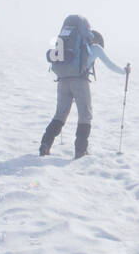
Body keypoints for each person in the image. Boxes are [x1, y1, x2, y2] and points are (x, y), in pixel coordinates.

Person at [39, 25, 130, 159]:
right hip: (80, 83)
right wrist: (125, 71)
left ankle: (45, 145)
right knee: (85, 116)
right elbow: (111, 65)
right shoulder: (96, 48)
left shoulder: (72, 48)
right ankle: (80, 151)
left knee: (60, 115)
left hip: (63, 81)